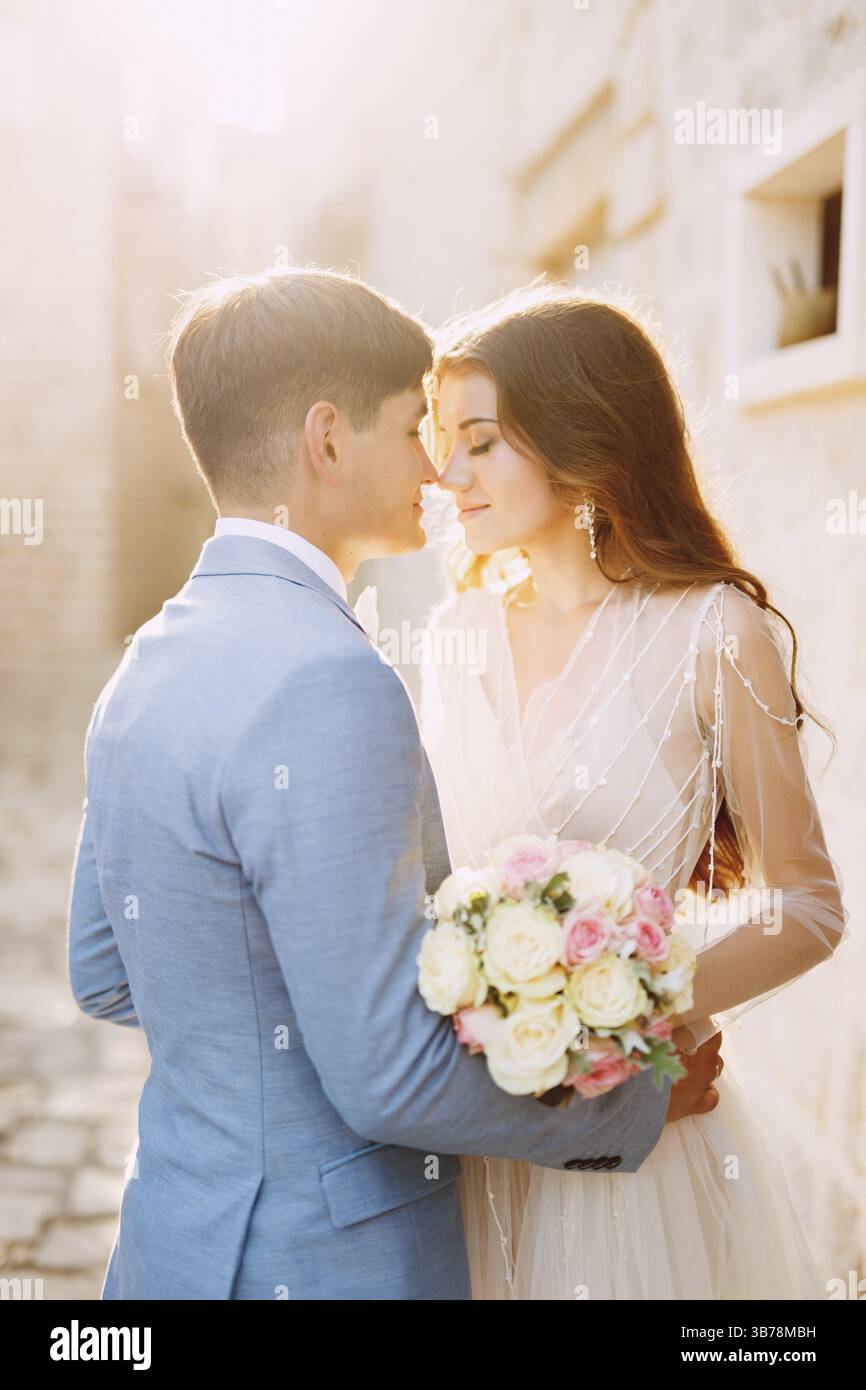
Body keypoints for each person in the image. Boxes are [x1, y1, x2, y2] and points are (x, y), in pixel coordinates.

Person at [66, 267, 719, 1301]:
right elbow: (384, 1078)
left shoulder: (147, 659)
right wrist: (632, 1103)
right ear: (326, 441)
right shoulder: (330, 679)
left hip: (173, 1248)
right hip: (328, 1261)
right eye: (412, 425)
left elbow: (103, 968)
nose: (432, 464)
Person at [420, 284, 849, 1299]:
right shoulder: (450, 637)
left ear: (579, 439)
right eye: (443, 443)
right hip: (477, 1147)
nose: (449, 476)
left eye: (479, 441)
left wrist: (611, 1019)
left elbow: (807, 905)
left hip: (645, 1144)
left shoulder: (712, 632)